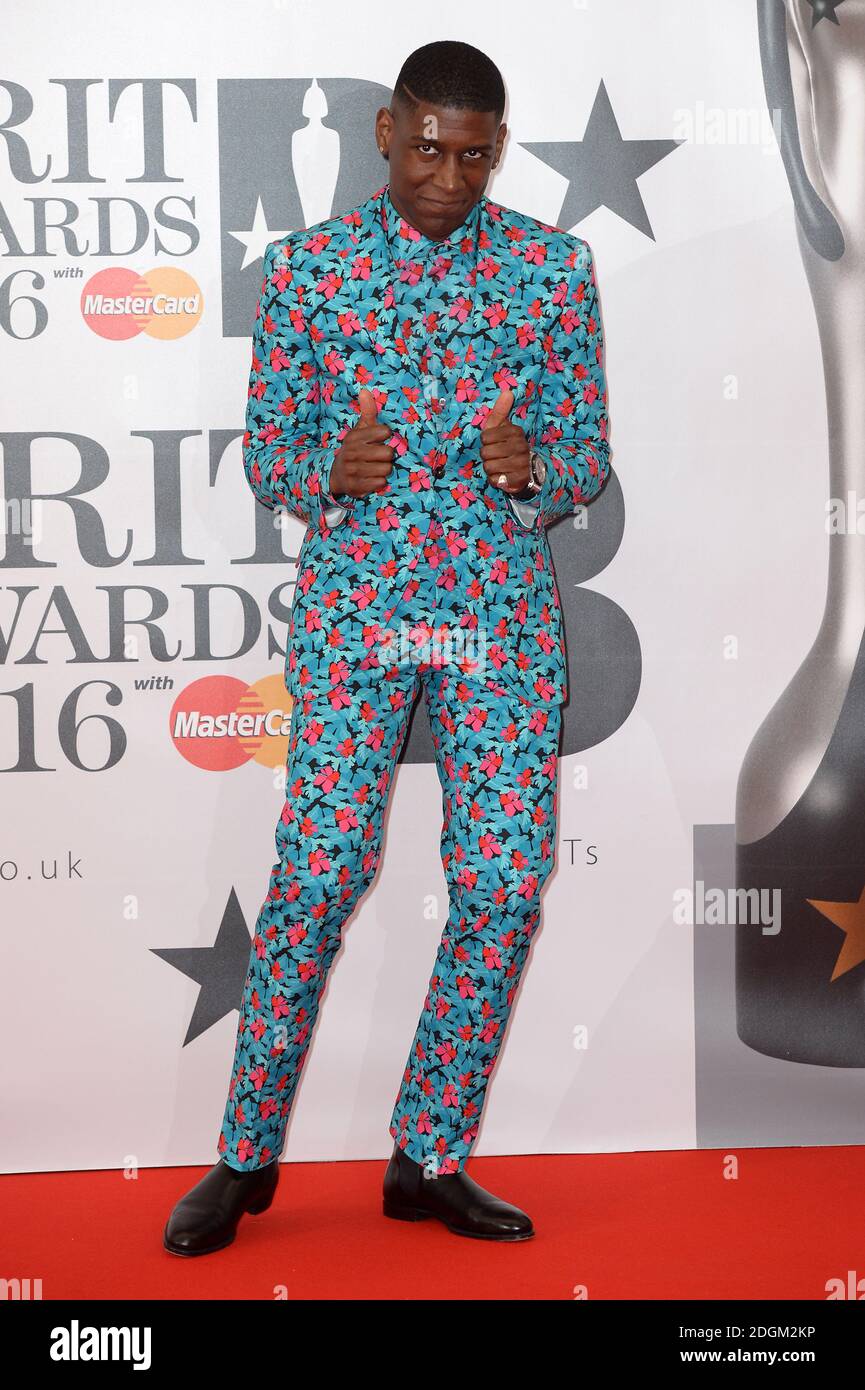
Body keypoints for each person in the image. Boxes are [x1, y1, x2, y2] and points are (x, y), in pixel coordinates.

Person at [163, 37, 611, 1256]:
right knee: (317, 876)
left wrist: (538, 472)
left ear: (498, 149)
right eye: (425, 147)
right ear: (384, 134)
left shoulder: (553, 271)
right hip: (359, 616)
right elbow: (270, 452)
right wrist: (324, 470)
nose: (446, 176)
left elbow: (588, 453)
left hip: (501, 625)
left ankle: (428, 1155)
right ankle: (244, 1158)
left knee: (506, 882)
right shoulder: (307, 274)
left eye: (472, 154)